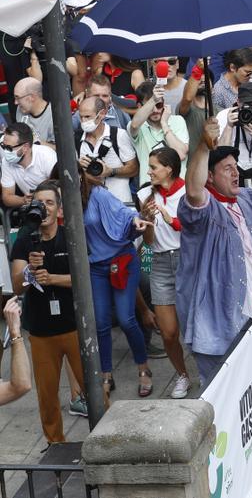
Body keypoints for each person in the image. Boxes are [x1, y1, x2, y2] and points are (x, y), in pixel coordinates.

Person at [178, 118, 252, 383]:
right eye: (226, 169)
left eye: (235, 167)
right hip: (218, 323)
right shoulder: (204, 210)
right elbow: (194, 191)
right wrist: (203, 147)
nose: (235, 173)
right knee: (224, 395)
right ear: (210, 176)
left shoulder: (249, 198)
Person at [9, 182, 88, 438]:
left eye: (50, 203)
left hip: (75, 326)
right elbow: (17, 286)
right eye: (39, 203)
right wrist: (30, 272)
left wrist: (52, 278)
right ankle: (55, 448)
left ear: (59, 209)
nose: (44, 208)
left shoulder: (72, 235)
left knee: (93, 389)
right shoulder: (24, 238)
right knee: (47, 396)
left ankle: (104, 443)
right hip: (42, 331)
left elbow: (84, 278)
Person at [77, 153, 155, 396]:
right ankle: (106, 374)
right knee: (100, 323)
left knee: (125, 318)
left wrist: (137, 221)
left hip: (121, 260)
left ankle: (144, 369)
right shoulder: (62, 203)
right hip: (95, 267)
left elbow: (125, 214)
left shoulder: (98, 194)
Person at [137, 147, 193, 398]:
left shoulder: (188, 191)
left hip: (188, 260)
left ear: (169, 168)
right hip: (160, 262)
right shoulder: (145, 195)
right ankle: (182, 375)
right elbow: (148, 241)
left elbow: (195, 227)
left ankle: (209, 370)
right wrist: (146, 220)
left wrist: (172, 221)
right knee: (169, 333)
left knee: (196, 325)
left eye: (153, 167)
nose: (149, 171)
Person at [76, 95, 138, 205]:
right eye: (81, 117)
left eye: (88, 117)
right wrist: (77, 167)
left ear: (102, 114)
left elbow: (134, 169)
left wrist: (110, 171)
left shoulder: (118, 135)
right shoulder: (76, 139)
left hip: (119, 203)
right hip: (90, 204)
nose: (83, 121)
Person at [1, 123, 57, 210]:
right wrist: (23, 200)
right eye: (3, 146)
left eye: (9, 148)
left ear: (25, 147)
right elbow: (7, 197)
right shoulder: (6, 162)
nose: (5, 151)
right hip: (31, 208)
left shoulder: (47, 156)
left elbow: (59, 189)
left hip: (54, 206)